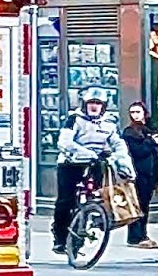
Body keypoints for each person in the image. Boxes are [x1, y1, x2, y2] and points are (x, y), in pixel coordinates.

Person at [53, 86, 135, 254]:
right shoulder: (74, 119)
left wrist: (125, 165)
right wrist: (87, 153)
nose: (94, 106)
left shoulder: (109, 123)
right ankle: (60, 238)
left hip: (96, 164)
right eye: (91, 102)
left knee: (103, 195)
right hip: (71, 164)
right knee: (65, 201)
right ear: (85, 104)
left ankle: (94, 216)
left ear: (104, 106)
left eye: (98, 103)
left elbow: (119, 146)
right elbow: (64, 142)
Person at [121, 101, 158, 248]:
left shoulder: (149, 129)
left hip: (151, 172)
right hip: (138, 173)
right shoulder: (130, 132)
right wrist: (151, 141)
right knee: (138, 205)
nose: (135, 115)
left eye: (138, 112)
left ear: (144, 113)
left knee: (145, 205)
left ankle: (142, 234)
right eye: (133, 112)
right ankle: (136, 236)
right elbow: (138, 152)